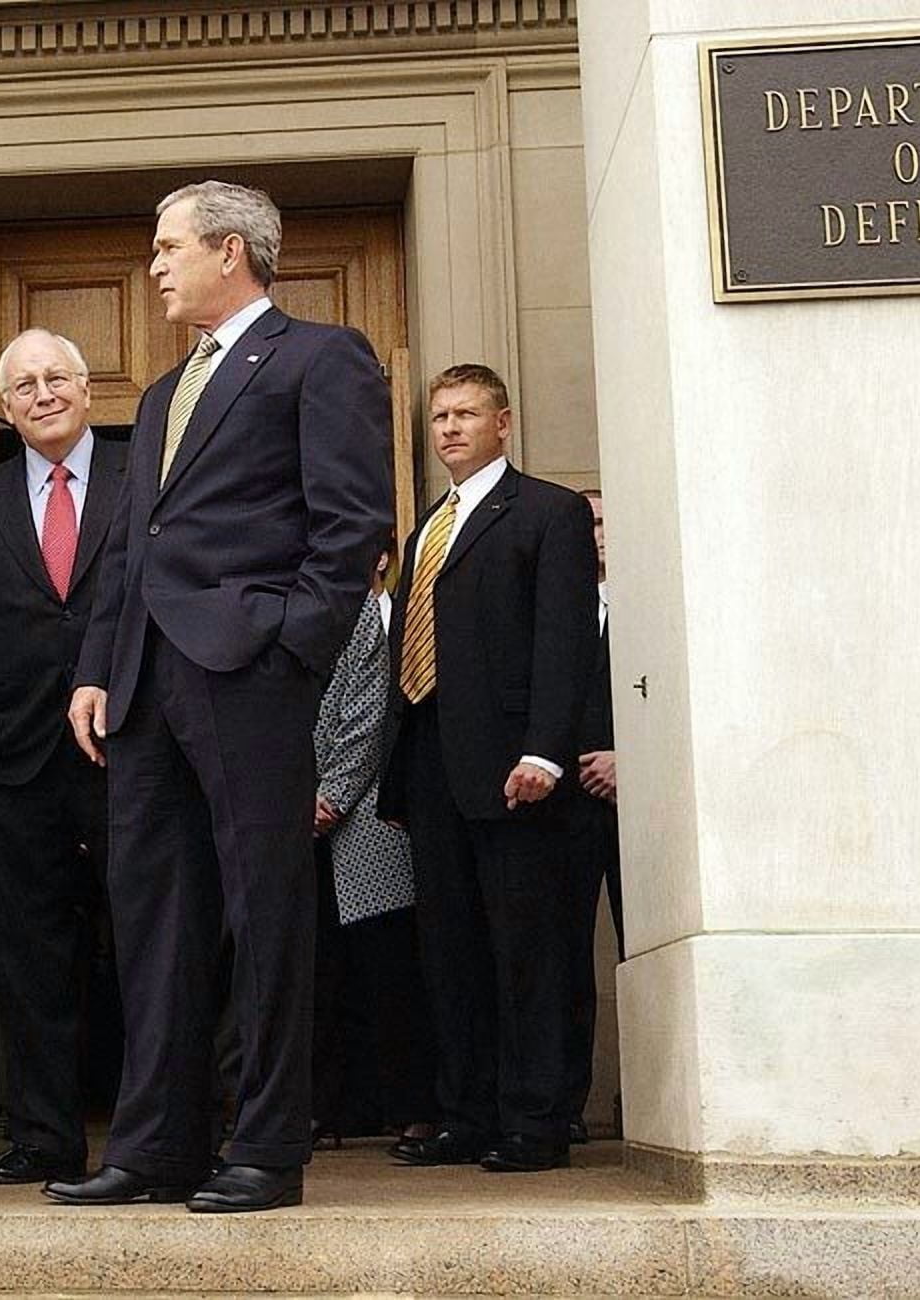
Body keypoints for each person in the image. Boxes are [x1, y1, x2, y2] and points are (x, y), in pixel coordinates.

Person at [54, 181, 393, 1213]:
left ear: (232, 252)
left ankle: (264, 1145)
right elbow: (129, 544)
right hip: (147, 682)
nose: (152, 264)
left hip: (247, 670)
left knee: (263, 909)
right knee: (152, 915)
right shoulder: (159, 394)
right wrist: (97, 668)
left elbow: (351, 526)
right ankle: (156, 1145)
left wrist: (291, 650)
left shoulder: (319, 357)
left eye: (167, 247)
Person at [378, 363, 595, 1175]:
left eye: (466, 414)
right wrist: (398, 777)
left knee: (526, 953)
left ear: (504, 423)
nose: (449, 429)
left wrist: (544, 750)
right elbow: (409, 654)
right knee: (452, 953)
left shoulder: (549, 512)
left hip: (514, 768)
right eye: (438, 417)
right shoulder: (426, 527)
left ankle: (535, 1123)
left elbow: (563, 642)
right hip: (433, 769)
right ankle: (465, 1116)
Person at [0, 329, 128, 1186]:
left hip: (128, 760)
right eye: (22, 385)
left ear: (87, 391)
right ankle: (43, 1135)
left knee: (152, 947)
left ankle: (162, 1132)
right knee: (28, 960)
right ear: (5, 408)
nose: (42, 394)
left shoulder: (140, 482)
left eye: (57, 378)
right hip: (10, 768)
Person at [310, 551, 436, 1146]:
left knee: (389, 964)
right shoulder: (304, 613)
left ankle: (413, 1104)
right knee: (320, 971)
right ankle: (336, 1107)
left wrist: (330, 795)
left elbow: (365, 715)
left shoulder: (373, 617)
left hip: (365, 819)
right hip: (295, 818)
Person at [563, 489, 623, 1143]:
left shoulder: (653, 605)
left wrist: (627, 759)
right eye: (586, 526)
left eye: (604, 522)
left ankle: (646, 1096)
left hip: (640, 802)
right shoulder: (560, 608)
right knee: (567, 957)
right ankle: (567, 1103)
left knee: (641, 947)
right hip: (569, 800)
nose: (596, 536)